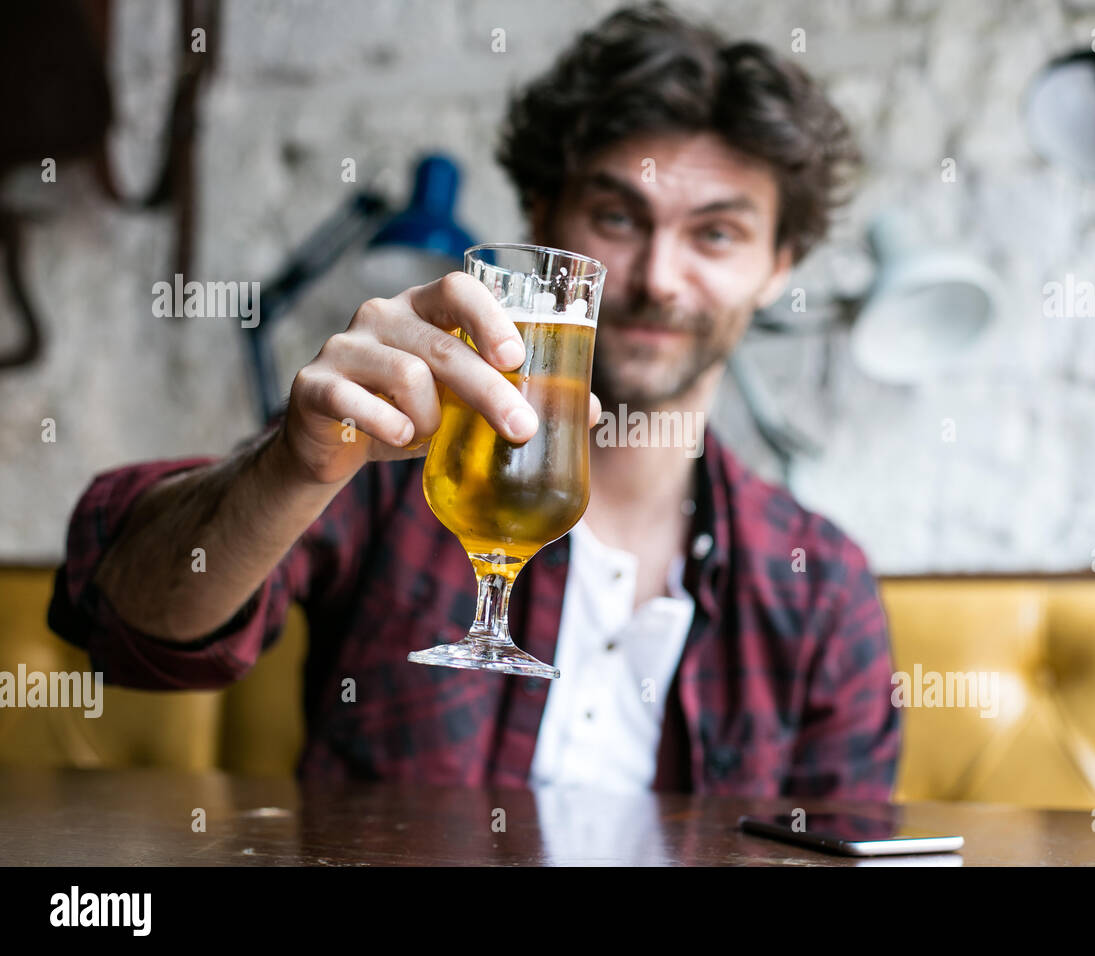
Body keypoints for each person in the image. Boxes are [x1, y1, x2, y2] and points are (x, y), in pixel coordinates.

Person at [48, 1, 899, 799]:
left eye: (716, 233)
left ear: (779, 265)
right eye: (617, 216)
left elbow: (842, 849)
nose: (658, 279)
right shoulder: (396, 460)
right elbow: (123, 625)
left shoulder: (821, 590)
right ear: (542, 214)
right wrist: (289, 469)